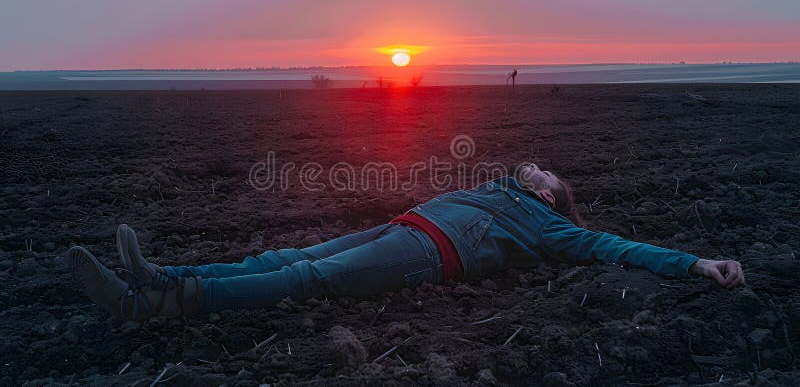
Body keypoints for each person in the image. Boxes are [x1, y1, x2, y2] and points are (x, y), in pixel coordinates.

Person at [67, 163, 745, 322]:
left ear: (550, 195)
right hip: (398, 227)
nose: (531, 166)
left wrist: (693, 261)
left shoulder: (554, 225)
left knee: (306, 278)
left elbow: (619, 248)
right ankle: (155, 272)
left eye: (543, 172)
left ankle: (160, 304)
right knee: (280, 258)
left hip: (424, 255)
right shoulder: (496, 186)